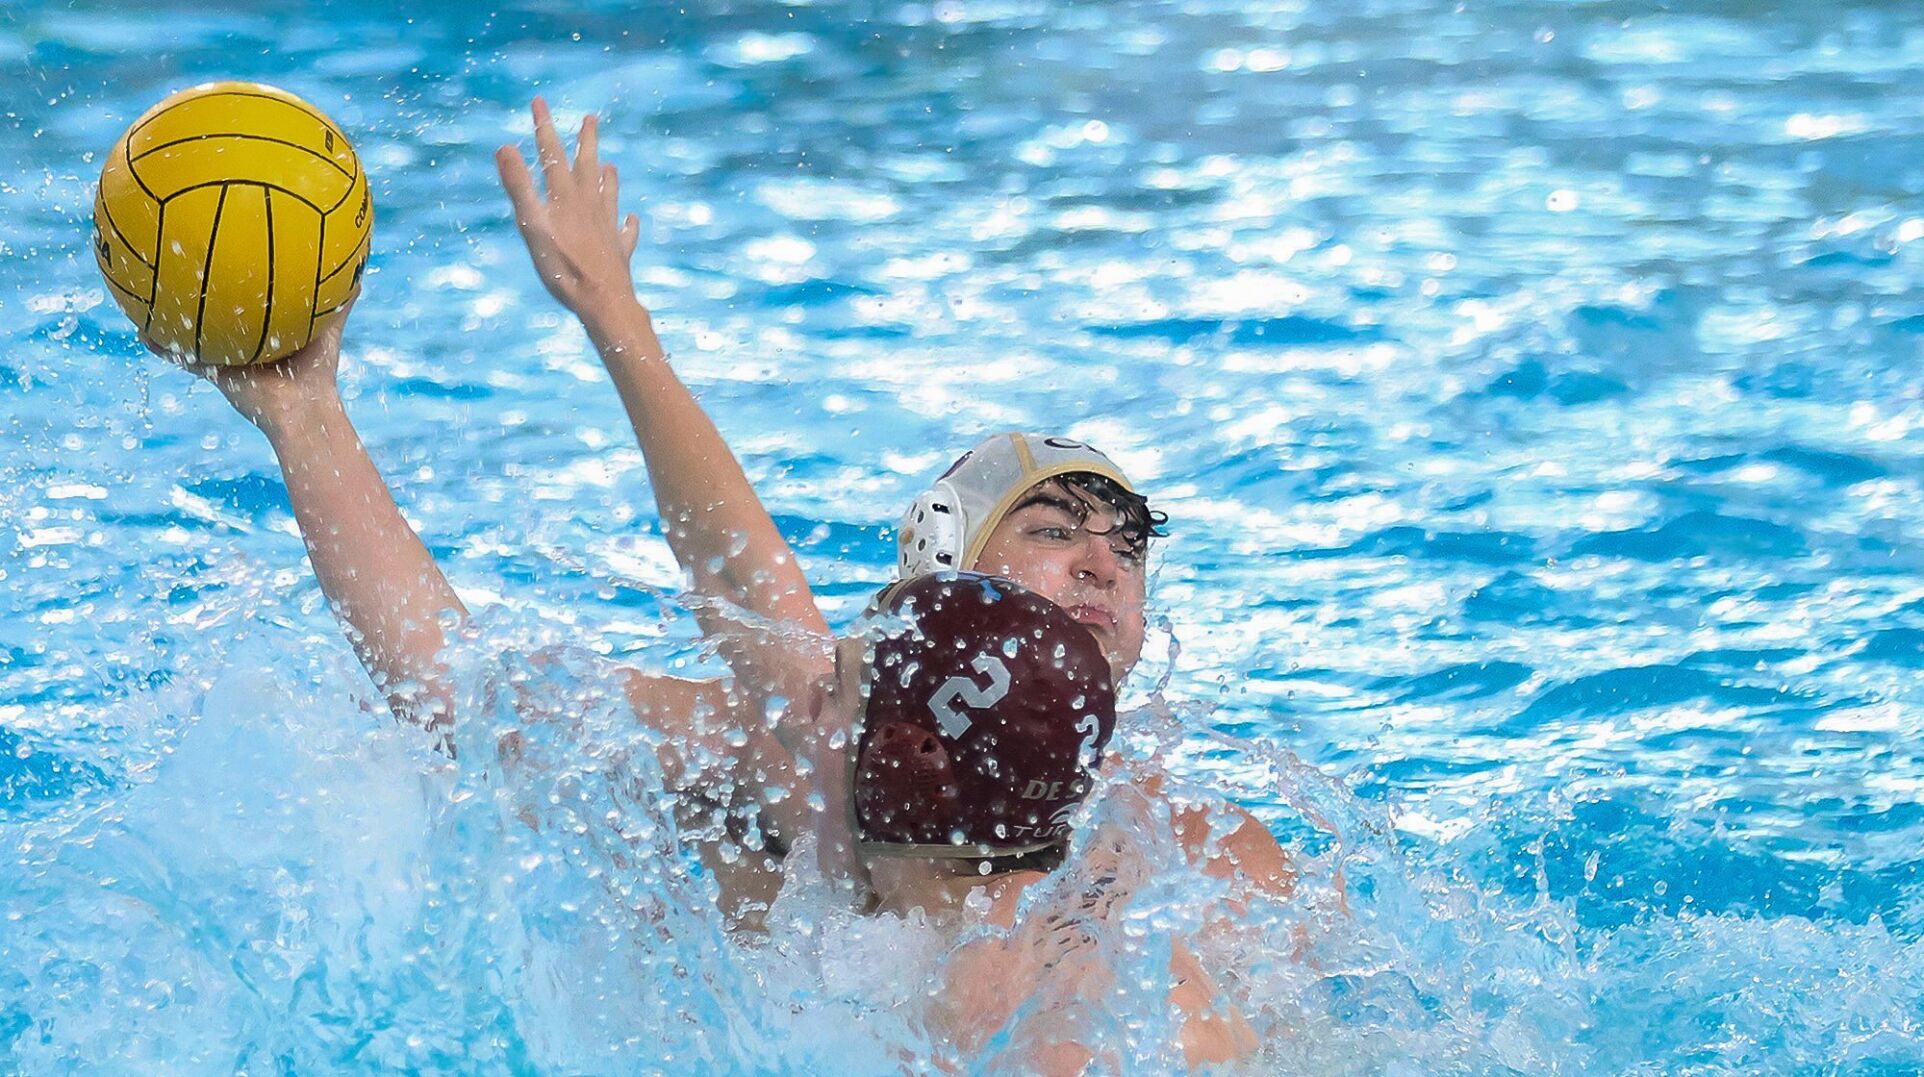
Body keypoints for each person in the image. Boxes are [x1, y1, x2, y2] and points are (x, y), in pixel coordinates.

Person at [143, 96, 1275, 1069]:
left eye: (1128, 549)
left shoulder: (1202, 859)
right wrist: (303, 412)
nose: (1102, 563)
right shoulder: (809, 760)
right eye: (1055, 529)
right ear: (943, 574)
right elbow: (460, 689)